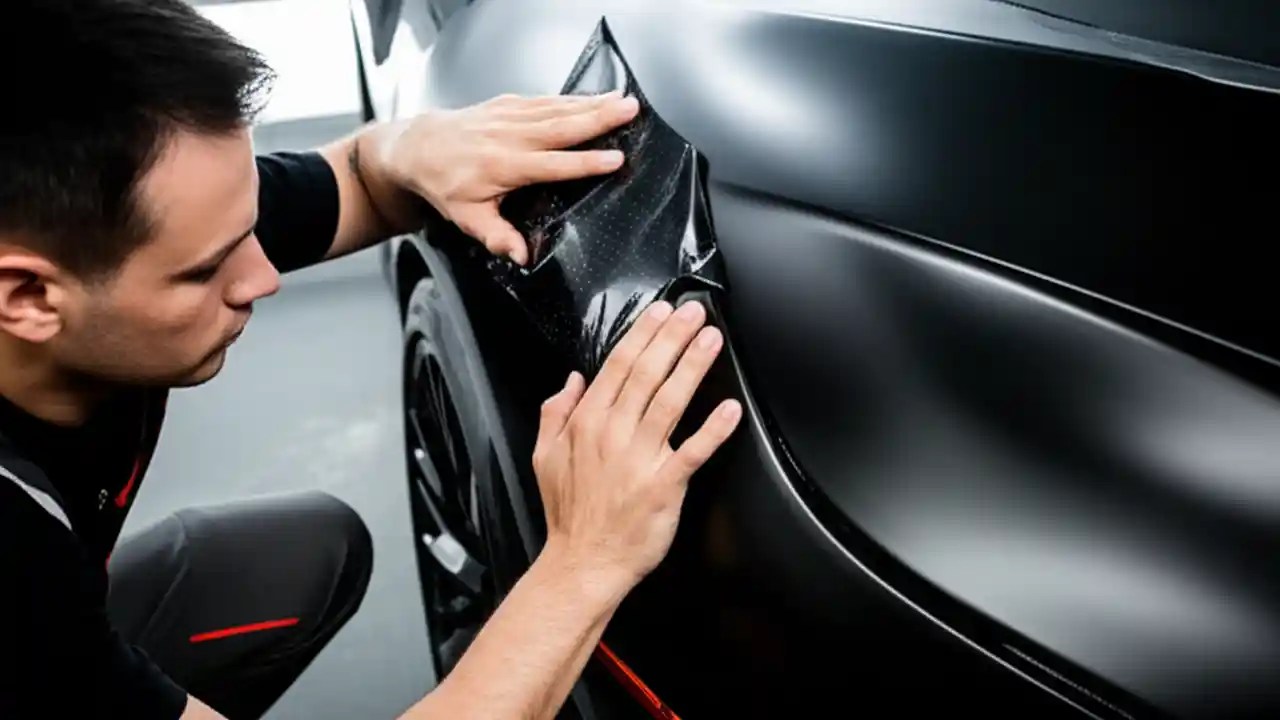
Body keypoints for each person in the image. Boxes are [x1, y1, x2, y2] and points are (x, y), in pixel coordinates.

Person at [0, 2, 743, 719]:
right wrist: (588, 559)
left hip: (62, 607)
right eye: (206, 270)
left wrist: (411, 147)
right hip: (37, 620)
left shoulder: (128, 224)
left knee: (305, 558)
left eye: (253, 223)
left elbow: (360, 178)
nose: (262, 279)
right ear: (28, 295)